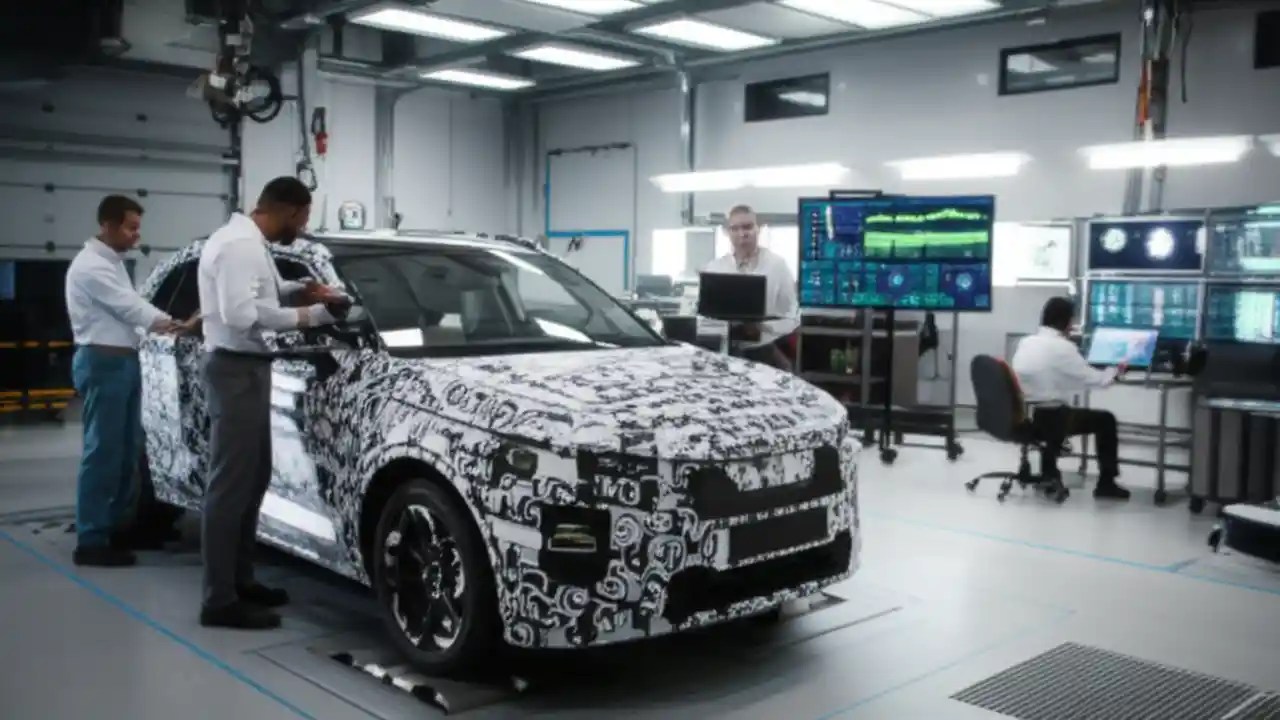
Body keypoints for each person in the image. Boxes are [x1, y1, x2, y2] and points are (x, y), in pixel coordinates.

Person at [197, 177, 346, 629]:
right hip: (235, 369)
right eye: (302, 217)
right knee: (230, 487)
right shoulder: (239, 246)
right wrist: (310, 316)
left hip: (249, 369)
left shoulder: (248, 242)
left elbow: (259, 294)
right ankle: (218, 601)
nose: (302, 228)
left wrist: (296, 290)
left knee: (252, 479)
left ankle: (240, 580)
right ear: (287, 209)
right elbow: (241, 315)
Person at [64, 196, 195, 567]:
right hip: (103, 362)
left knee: (125, 451)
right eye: (130, 227)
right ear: (107, 224)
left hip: (123, 362)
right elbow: (129, 307)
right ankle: (91, 540)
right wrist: (175, 324)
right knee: (102, 452)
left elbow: (131, 308)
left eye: (138, 227)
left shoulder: (112, 263)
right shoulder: (91, 267)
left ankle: (118, 527)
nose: (137, 235)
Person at [1011, 297, 1131, 500]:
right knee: (1105, 419)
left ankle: (1049, 473)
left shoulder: (1026, 342)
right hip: (1055, 419)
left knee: (1051, 409)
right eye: (1072, 321)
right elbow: (1095, 379)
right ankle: (1106, 484)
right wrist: (1115, 372)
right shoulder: (1063, 348)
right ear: (1066, 322)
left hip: (1026, 417)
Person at [702, 205, 799, 371]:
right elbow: (704, 316)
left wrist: (762, 329)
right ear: (727, 232)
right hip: (724, 350)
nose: (742, 234)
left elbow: (792, 315)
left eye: (747, 227)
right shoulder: (714, 268)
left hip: (763, 349)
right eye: (735, 228)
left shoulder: (777, 265)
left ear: (758, 229)